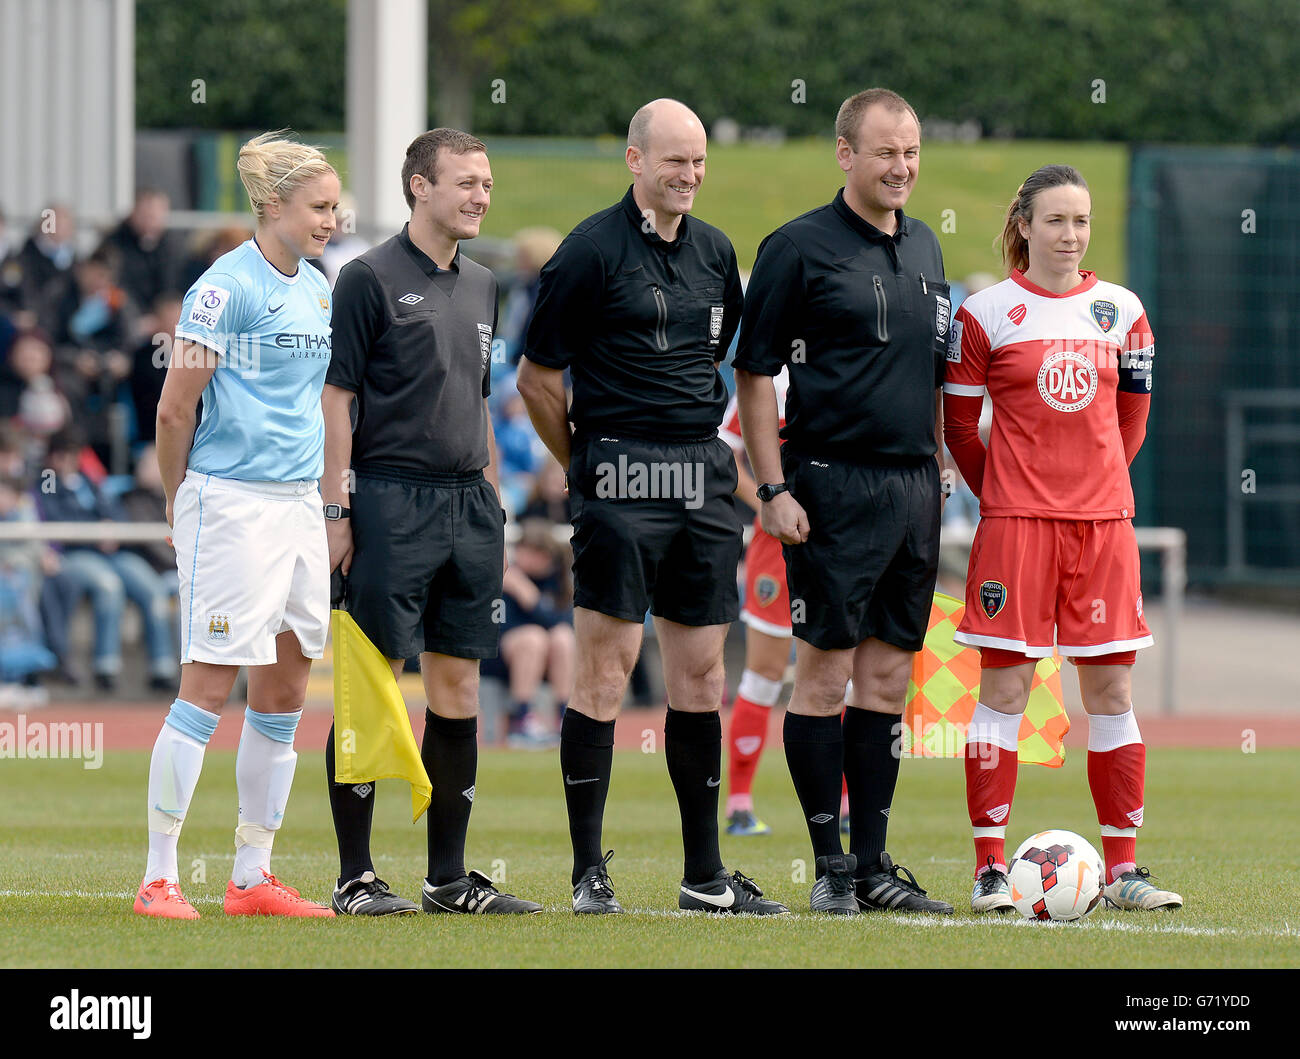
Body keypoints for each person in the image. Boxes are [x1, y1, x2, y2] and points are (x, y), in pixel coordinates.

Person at [518, 98, 787, 916]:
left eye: (699, 161)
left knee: (702, 673)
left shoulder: (716, 250)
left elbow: (725, 363)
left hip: (701, 474)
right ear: (635, 160)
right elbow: (537, 378)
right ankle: (587, 873)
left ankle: (705, 875)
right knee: (604, 671)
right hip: (618, 471)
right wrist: (586, 464)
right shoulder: (588, 251)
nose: (689, 174)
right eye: (675, 159)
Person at [733, 87, 954, 915]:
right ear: (845, 154)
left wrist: (939, 455)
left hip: (913, 488)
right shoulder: (797, 247)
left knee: (888, 679)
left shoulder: (926, 243)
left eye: (911, 151)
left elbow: (932, 370)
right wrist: (771, 487)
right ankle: (829, 867)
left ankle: (873, 863)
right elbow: (755, 372)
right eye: (885, 151)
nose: (901, 166)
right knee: (823, 676)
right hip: (830, 483)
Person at [942, 164, 1182, 914]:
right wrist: (1007, 497)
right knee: (1005, 691)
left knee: (1111, 692)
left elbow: (1132, 421)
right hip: (1015, 529)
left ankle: (1124, 870)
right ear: (1024, 226)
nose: (1070, 235)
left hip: (1103, 528)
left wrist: (1094, 485)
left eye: (1080, 221)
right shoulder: (984, 313)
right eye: (1055, 220)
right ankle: (989, 869)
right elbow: (960, 429)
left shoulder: (1125, 312)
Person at [322, 128, 542, 917]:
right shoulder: (366, 278)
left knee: (458, 684)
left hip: (468, 505)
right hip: (389, 498)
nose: (482, 195)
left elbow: (478, 398)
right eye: (466, 182)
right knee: (371, 683)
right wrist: (337, 508)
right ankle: (355, 876)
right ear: (420, 185)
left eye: (487, 182)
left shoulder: (484, 283)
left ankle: (448, 879)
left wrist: (494, 499)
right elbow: (337, 399)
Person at [133, 131, 341, 919]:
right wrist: (178, 499)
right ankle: (158, 876)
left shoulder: (318, 286)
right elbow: (174, 408)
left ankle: (252, 874)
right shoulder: (224, 287)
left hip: (296, 506)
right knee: (208, 684)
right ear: (273, 204)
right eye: (318, 206)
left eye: (333, 206)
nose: (330, 219)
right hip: (230, 502)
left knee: (286, 685)